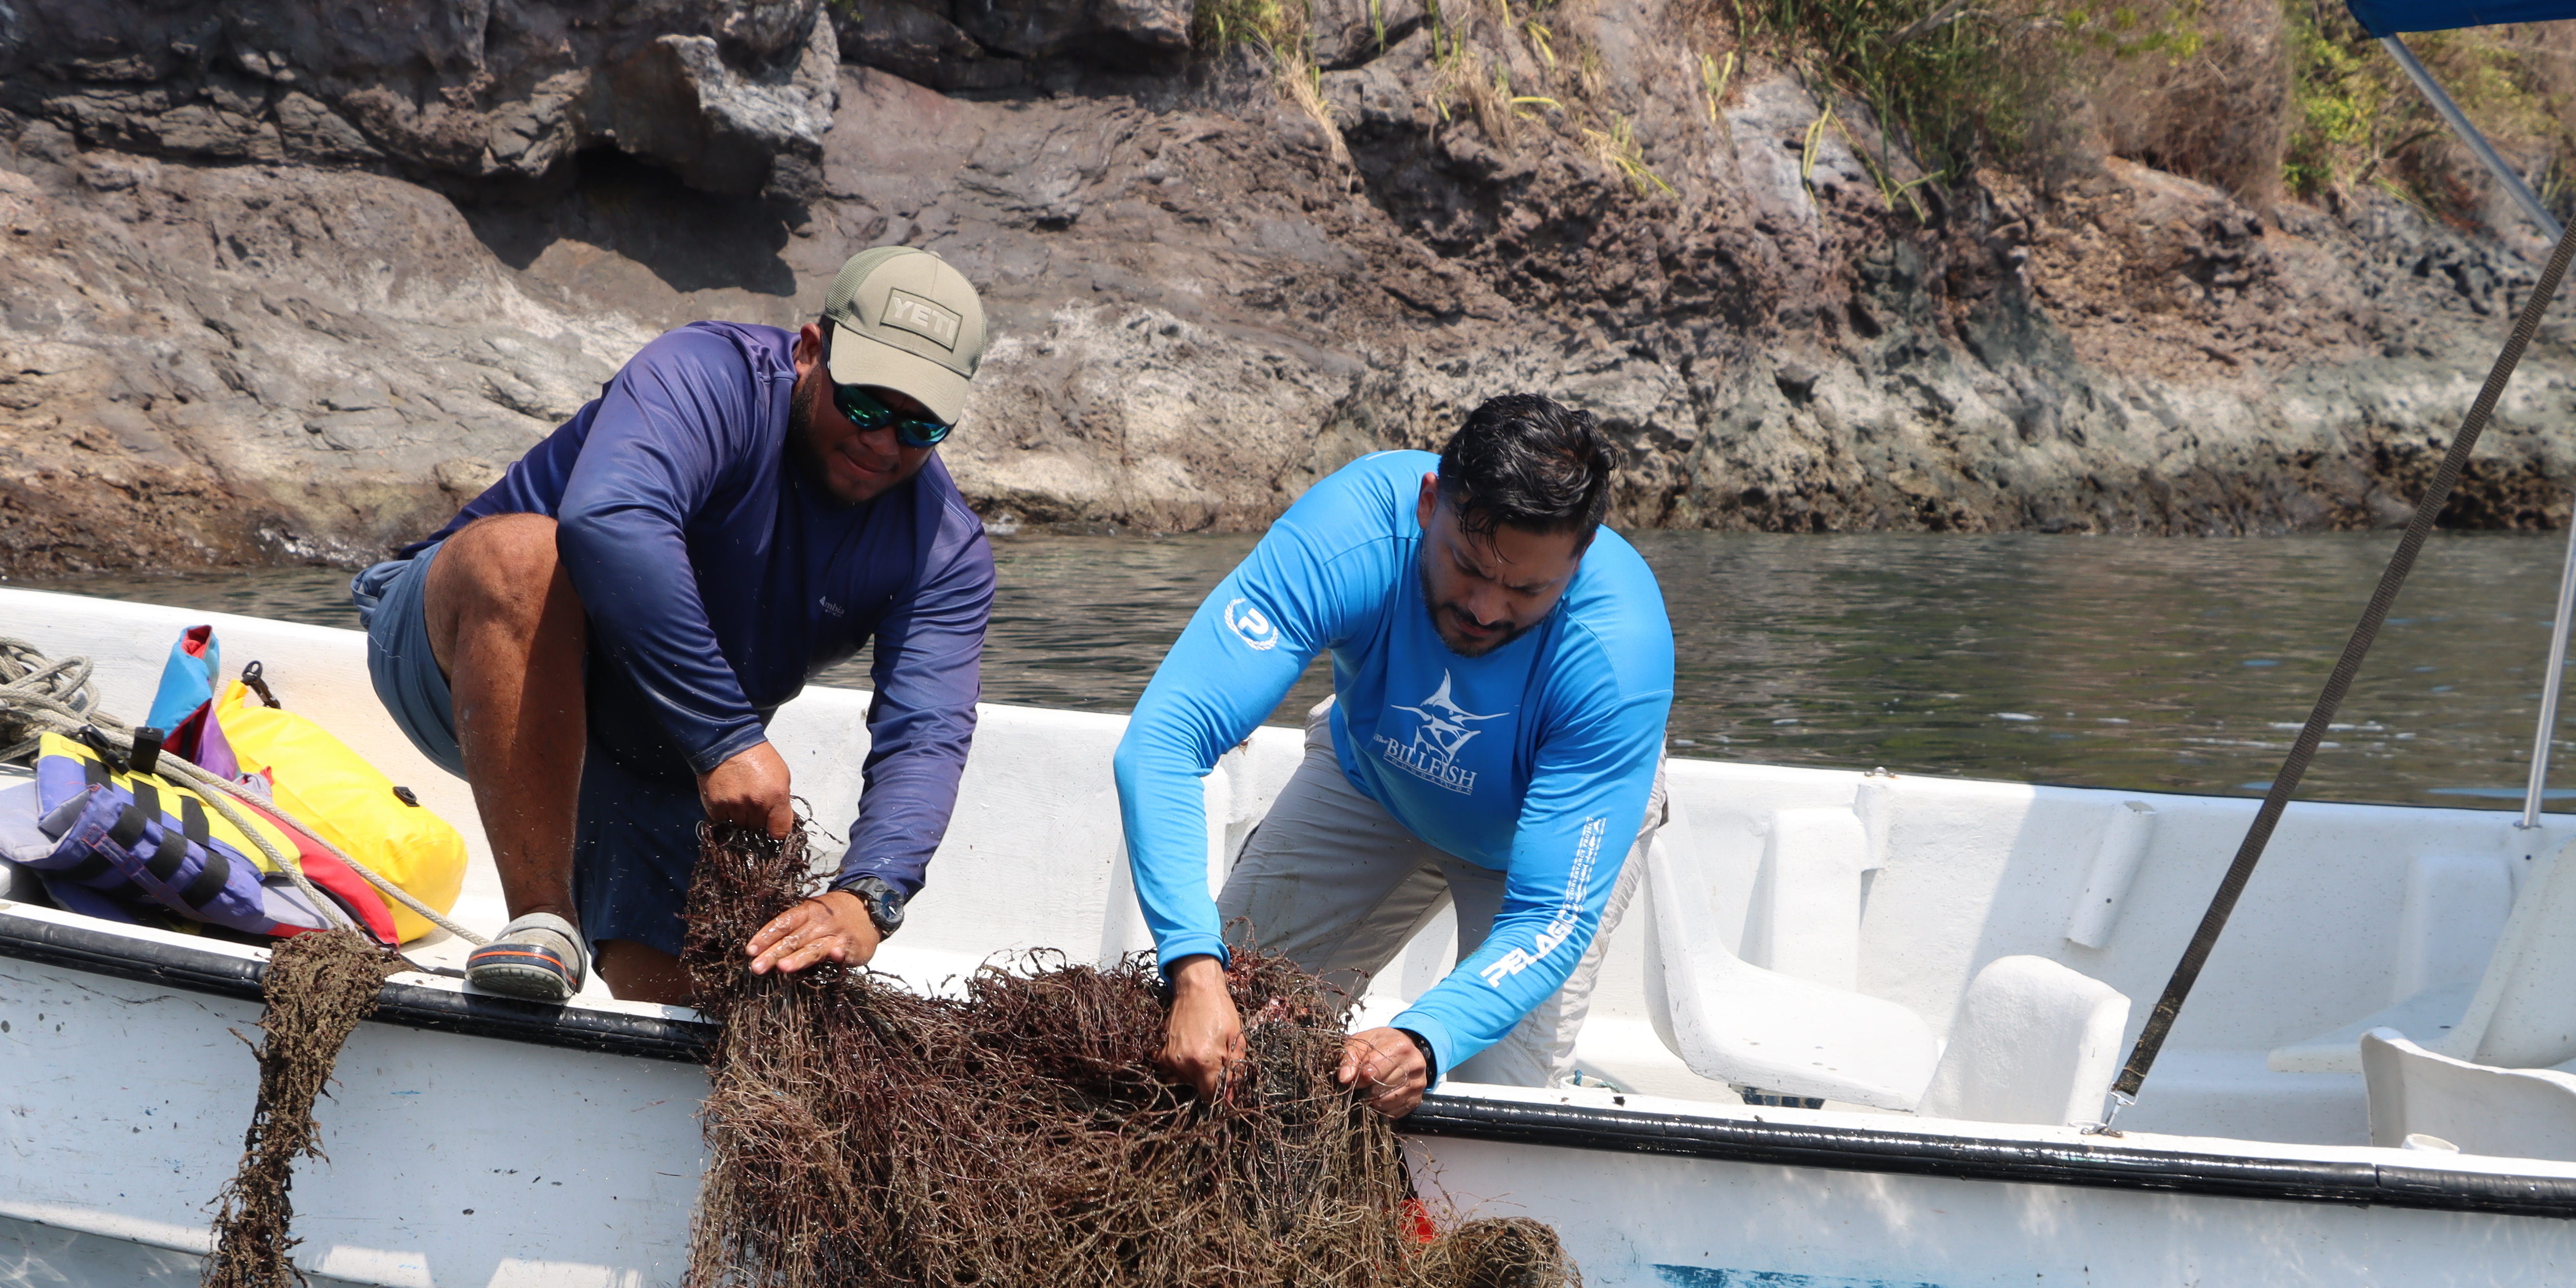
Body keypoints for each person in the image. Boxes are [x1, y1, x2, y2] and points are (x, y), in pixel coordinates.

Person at [351, 247, 997, 1003]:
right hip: (456, 655)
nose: (883, 443)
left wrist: (869, 894)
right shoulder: (704, 373)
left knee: (715, 1006)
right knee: (525, 553)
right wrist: (728, 739)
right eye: (863, 406)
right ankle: (541, 919)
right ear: (810, 351)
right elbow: (611, 519)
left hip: (656, 742)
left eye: (920, 428)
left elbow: (925, 730)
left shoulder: (948, 551)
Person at [1112, 395, 1673, 1118]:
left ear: (1580, 557)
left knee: (1492, 1101)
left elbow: (1550, 918)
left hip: (1533, 846)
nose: (1486, 608)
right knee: (1226, 1025)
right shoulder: (1352, 531)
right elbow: (1165, 738)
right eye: (1467, 566)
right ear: (1428, 503)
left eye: (1529, 589)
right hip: (1375, 777)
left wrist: (1427, 1038)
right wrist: (1192, 967)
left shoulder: (1617, 654)